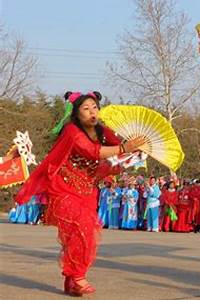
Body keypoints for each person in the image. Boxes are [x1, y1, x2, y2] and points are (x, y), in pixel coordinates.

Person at [14, 91, 145, 296]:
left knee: (80, 235)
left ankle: (71, 280)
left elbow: (118, 150)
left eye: (94, 107)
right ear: (77, 114)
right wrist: (123, 147)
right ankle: (78, 276)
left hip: (87, 190)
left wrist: (136, 148)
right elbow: (94, 152)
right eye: (86, 108)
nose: (92, 112)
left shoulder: (102, 130)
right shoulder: (71, 131)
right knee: (81, 229)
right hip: (64, 188)